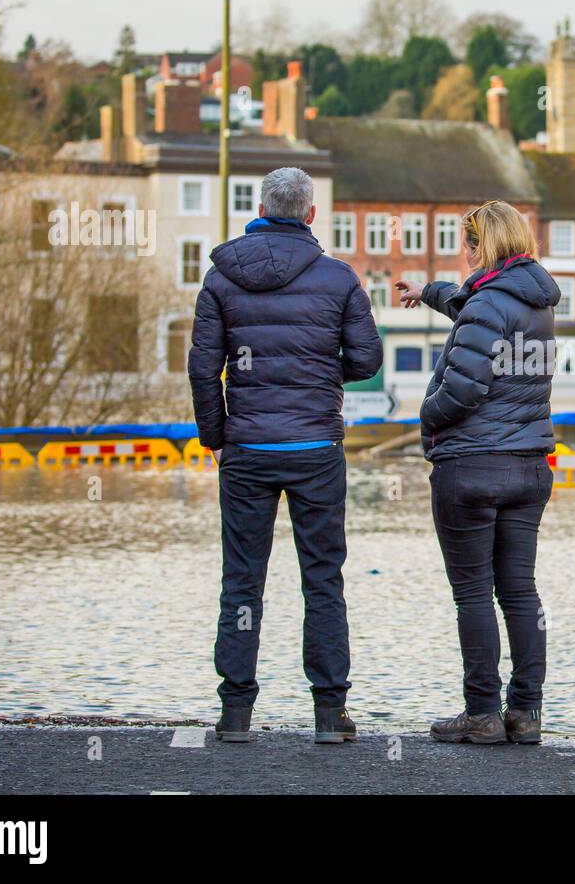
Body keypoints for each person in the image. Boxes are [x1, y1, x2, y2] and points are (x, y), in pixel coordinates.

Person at [189, 166, 382, 745]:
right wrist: (321, 369)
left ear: (260, 208)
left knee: (242, 580)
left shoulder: (220, 279)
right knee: (322, 579)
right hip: (316, 449)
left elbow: (203, 367)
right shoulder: (338, 278)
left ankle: (235, 713)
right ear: (311, 215)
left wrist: (216, 437)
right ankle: (329, 714)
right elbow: (367, 360)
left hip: (247, 447)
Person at [394, 200, 560, 745]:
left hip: (471, 468)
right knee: (520, 593)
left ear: (477, 247)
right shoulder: (534, 301)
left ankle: (483, 713)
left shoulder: (489, 304)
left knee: (473, 595)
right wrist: (430, 293)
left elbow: (463, 387)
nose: (460, 256)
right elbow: (475, 310)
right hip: (529, 467)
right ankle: (526, 713)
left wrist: (426, 417)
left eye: (464, 246)